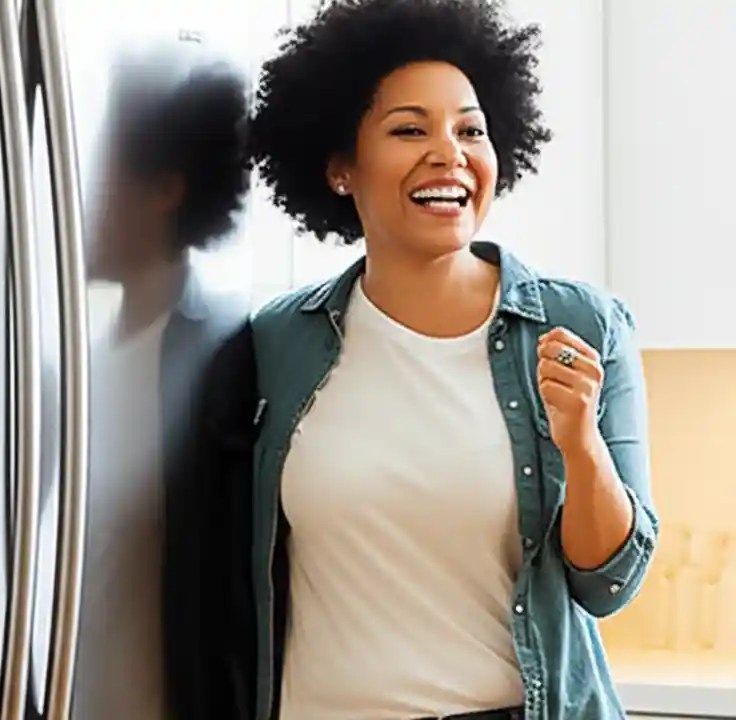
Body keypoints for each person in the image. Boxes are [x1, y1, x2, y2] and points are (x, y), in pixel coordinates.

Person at [237, 1, 658, 718]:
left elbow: (609, 585)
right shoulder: (280, 339)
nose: (449, 154)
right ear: (341, 167)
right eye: (409, 129)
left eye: (471, 130)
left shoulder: (581, 324)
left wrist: (581, 446)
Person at [72, 38, 252, 720]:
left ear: (165, 189)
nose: (66, 196)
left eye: (93, 169)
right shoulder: (74, 370)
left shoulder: (231, 361)